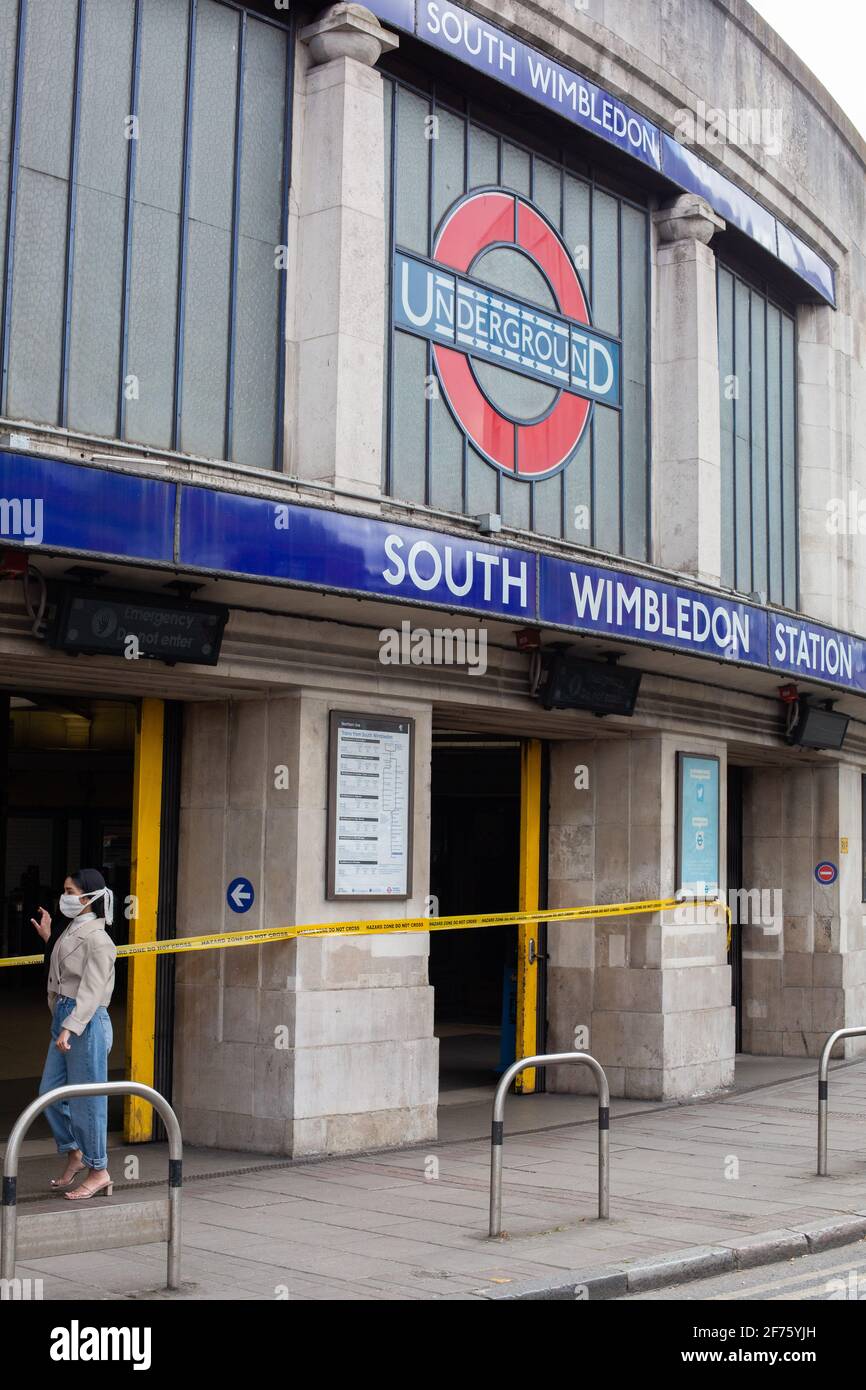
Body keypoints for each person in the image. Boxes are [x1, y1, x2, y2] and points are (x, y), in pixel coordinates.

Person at [31, 868, 117, 1199]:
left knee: (87, 1100)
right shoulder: (73, 929)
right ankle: (74, 1152)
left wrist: (70, 1026)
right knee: (48, 1092)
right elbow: (65, 969)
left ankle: (99, 1170)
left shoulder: (100, 940)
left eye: (69, 891)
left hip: (86, 1021)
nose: (64, 896)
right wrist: (49, 937)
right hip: (66, 1017)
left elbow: (92, 991)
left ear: (87, 898)